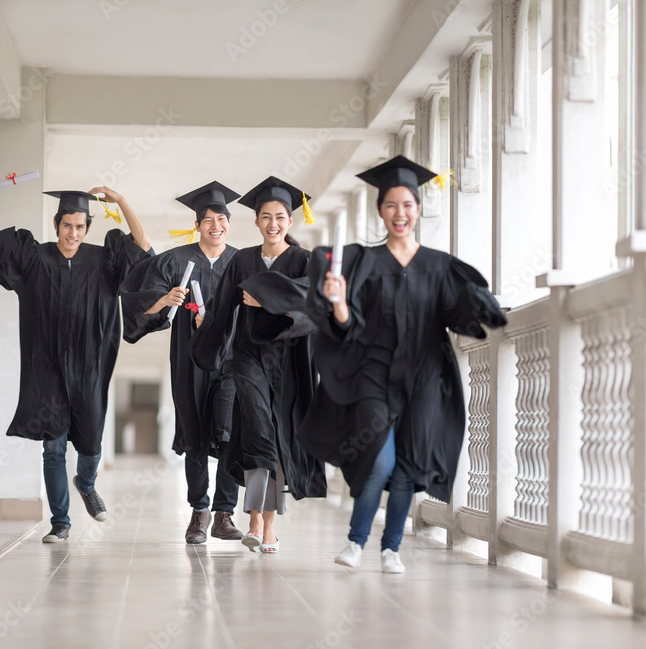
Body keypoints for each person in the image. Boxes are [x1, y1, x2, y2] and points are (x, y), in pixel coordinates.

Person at [301, 156, 506, 573]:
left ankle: (391, 549)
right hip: (372, 373)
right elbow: (346, 327)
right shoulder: (365, 263)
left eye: (408, 204)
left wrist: (479, 305)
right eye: (392, 205)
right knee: (378, 456)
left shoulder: (438, 265)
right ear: (380, 211)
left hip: (426, 375)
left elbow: (457, 312)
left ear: (417, 209)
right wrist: (338, 299)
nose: (400, 213)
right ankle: (357, 542)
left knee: (408, 465)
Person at [0, 181, 152, 543]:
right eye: (66, 225)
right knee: (53, 446)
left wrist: (121, 200)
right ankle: (61, 522)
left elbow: (143, 246)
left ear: (87, 228)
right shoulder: (35, 258)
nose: (73, 233)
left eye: (80, 226)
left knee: (90, 442)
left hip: (90, 364)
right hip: (47, 367)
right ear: (56, 225)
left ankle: (86, 484)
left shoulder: (104, 261)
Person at [191, 176, 326, 554]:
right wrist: (206, 339)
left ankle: (264, 524)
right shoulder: (242, 260)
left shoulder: (304, 261)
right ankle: (259, 524)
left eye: (280, 216)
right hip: (248, 357)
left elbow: (315, 308)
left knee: (273, 439)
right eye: (265, 216)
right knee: (259, 433)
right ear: (255, 220)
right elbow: (221, 310)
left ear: (290, 221)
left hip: (288, 363)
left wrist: (270, 302)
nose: (273, 224)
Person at [121, 181, 244, 544]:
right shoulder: (176, 261)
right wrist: (167, 300)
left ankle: (225, 513)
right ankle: (199, 513)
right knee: (195, 437)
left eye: (221, 219)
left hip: (231, 361)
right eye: (208, 220)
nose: (215, 225)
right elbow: (139, 302)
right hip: (189, 360)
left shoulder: (242, 261)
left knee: (227, 434)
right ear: (197, 225)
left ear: (228, 223)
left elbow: (257, 308)